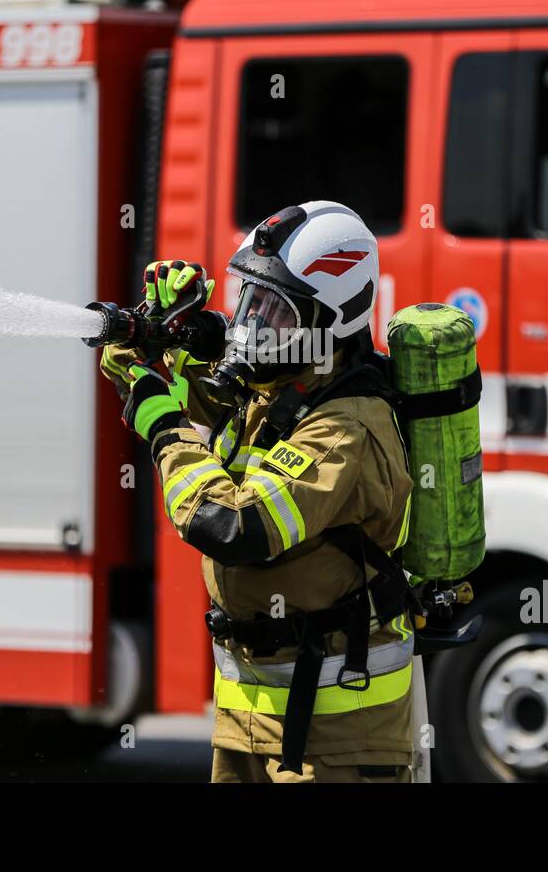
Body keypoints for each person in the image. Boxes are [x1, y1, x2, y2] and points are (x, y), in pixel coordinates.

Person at [99, 201, 415, 783]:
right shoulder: (288, 390)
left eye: (275, 311)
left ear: (330, 321)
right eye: (251, 301)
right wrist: (166, 336)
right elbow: (228, 398)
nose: (251, 325)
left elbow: (232, 526)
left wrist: (164, 424)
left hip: (334, 737)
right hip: (251, 718)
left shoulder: (344, 427)